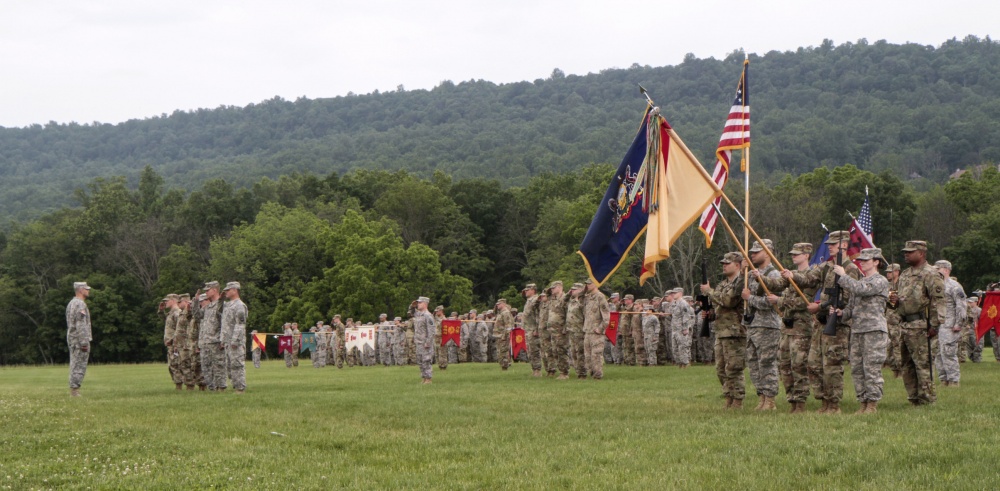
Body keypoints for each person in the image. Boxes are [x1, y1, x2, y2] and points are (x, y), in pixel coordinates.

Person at [784, 230, 860, 414]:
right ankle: (823, 400)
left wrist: (820, 306)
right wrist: (793, 276)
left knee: (832, 365)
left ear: (844, 245)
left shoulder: (850, 269)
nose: (829, 247)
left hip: (837, 323)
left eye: (833, 244)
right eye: (829, 244)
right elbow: (809, 278)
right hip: (821, 323)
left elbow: (849, 297)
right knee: (814, 364)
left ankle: (833, 404)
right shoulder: (826, 266)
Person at [761, 242, 818, 414]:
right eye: (792, 254)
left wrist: (780, 301)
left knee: (799, 365)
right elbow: (776, 284)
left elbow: (804, 302)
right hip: (787, 328)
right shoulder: (789, 274)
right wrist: (759, 277)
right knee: (784, 365)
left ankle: (800, 402)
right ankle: (791, 400)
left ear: (806, 255)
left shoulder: (811, 275)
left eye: (797, 254)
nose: (793, 256)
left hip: (801, 328)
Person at [832, 248, 890, 414]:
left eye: (866, 260)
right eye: (861, 260)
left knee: (871, 368)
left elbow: (862, 289)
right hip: (857, 330)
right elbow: (852, 307)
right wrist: (841, 313)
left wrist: (843, 276)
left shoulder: (880, 281)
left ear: (876, 262)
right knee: (857, 369)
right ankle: (863, 401)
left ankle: (872, 404)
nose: (862, 263)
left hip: (874, 330)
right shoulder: (860, 281)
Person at [889, 240, 945, 406]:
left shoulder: (931, 274)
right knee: (907, 364)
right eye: (905, 252)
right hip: (905, 325)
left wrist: (935, 325)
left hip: (921, 325)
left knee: (922, 364)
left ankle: (927, 399)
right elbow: (900, 299)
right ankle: (913, 398)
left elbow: (938, 301)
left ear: (921, 253)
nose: (906, 254)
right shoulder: (905, 274)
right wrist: (894, 300)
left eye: (910, 252)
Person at [702, 252, 747, 409]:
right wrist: (710, 314)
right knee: (721, 369)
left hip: (735, 331)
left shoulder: (741, 282)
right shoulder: (722, 284)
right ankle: (728, 396)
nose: (724, 266)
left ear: (737, 265)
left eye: (728, 263)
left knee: (734, 368)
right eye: (723, 263)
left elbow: (728, 301)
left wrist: (709, 291)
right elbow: (719, 306)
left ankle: (738, 400)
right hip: (721, 331)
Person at [745, 239, 784, 411]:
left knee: (767, 363)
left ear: (767, 253)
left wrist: (750, 298)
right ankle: (761, 396)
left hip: (768, 325)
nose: (752, 255)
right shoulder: (751, 274)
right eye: (752, 252)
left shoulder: (773, 275)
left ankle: (770, 399)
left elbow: (771, 302)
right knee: (754, 363)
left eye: (756, 252)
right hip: (753, 325)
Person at [935, 260, 966, 387]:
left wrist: (959, 323)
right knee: (938, 353)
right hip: (937, 325)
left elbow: (961, 306)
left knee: (948, 352)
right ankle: (943, 379)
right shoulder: (935, 285)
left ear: (946, 270)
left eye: (938, 269)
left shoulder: (954, 286)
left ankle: (953, 380)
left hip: (949, 325)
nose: (936, 271)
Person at [220, 281, 249, 393]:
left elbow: (240, 324)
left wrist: (235, 340)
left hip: (235, 341)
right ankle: (236, 386)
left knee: (237, 365)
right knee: (230, 366)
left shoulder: (239, 305)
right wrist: (223, 339)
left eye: (228, 290)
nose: (226, 292)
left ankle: (240, 388)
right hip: (227, 341)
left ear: (235, 290)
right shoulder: (228, 305)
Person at [198, 281, 226, 392]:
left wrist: (223, 340)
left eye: (208, 290)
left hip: (216, 341)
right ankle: (212, 388)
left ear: (214, 290)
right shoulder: (208, 307)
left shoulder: (221, 305)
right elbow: (197, 315)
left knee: (219, 366)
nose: (206, 292)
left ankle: (221, 387)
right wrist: (195, 302)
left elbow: (224, 323)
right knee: (206, 367)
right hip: (206, 341)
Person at [66, 281, 92, 397]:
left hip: (72, 338)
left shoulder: (71, 303)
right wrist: (84, 342)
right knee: (79, 365)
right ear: (81, 290)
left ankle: (74, 389)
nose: (88, 291)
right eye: (86, 289)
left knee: (74, 363)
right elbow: (80, 324)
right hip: (79, 340)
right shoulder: (80, 304)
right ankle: (75, 391)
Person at [582, 279, 610, 380]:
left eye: (589, 284)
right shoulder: (588, 297)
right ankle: (592, 373)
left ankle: (598, 375)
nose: (587, 286)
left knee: (596, 355)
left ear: (596, 284)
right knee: (588, 356)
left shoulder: (600, 297)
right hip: (588, 331)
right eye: (586, 284)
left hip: (596, 332)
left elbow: (606, 316)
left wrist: (600, 328)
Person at [545, 281, 571, 379]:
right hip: (553, 330)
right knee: (555, 351)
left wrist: (565, 328)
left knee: (562, 351)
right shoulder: (553, 299)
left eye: (553, 288)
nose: (551, 290)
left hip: (561, 330)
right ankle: (561, 371)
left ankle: (565, 372)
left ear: (559, 287)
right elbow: (546, 293)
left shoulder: (565, 299)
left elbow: (568, 315)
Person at [175, 294, 197, 389]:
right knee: (183, 364)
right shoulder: (181, 313)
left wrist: (189, 309)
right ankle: (189, 384)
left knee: (188, 364)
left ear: (185, 301)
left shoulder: (190, 311)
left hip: (187, 343)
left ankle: (191, 385)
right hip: (181, 344)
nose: (178, 304)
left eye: (180, 302)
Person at [885, 263, 903, 378]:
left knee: (898, 345)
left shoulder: (902, 284)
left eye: (890, 272)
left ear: (897, 272)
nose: (888, 274)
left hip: (898, 320)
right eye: (887, 272)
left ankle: (901, 370)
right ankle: (894, 369)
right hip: (888, 319)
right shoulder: (887, 285)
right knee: (889, 347)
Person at [521, 284, 543, 377]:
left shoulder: (535, 300)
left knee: (534, 350)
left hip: (533, 329)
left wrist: (536, 329)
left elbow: (538, 315)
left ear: (533, 290)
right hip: (528, 329)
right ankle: (534, 369)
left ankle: (537, 370)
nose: (526, 291)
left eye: (528, 290)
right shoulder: (529, 300)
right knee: (530, 351)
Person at [412, 297, 436, 384]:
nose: (418, 304)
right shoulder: (418, 314)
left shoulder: (428, 315)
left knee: (426, 360)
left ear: (425, 304)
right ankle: (424, 378)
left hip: (425, 342)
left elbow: (431, 331)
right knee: (420, 361)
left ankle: (428, 378)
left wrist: (428, 342)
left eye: (420, 303)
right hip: (418, 342)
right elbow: (410, 313)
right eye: (418, 303)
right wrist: (412, 306)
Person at [162, 293, 183, 390]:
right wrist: (161, 311)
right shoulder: (171, 313)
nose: (165, 302)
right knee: (172, 365)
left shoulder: (177, 313)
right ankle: (178, 385)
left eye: (167, 300)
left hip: (175, 344)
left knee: (176, 364)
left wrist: (173, 341)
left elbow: (180, 329)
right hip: (170, 344)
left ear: (174, 301)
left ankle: (179, 385)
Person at [566, 283, 587, 378]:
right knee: (573, 352)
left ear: (580, 290)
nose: (572, 291)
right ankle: (578, 371)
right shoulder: (571, 301)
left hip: (580, 330)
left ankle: (582, 373)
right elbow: (562, 302)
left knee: (580, 352)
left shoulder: (583, 301)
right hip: (571, 330)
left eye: (574, 289)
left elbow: (586, 316)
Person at [671, 292, 695, 369]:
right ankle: (679, 364)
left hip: (681, 329)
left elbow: (686, 316)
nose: (673, 295)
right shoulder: (675, 303)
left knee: (682, 347)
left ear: (680, 293)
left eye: (675, 293)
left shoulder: (683, 303)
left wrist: (685, 328)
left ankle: (685, 364)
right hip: (675, 329)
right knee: (675, 348)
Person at [190, 293, 208, 390]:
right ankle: (202, 385)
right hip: (198, 342)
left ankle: (205, 385)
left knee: (204, 365)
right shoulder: (200, 313)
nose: (201, 303)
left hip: (207, 341)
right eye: (199, 302)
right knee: (196, 365)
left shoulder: (207, 313)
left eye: (202, 301)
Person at [494, 299, 514, 370]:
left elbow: (508, 326)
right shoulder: (501, 313)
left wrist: (505, 336)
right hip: (499, 335)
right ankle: (503, 366)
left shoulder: (505, 313)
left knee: (503, 352)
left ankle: (505, 367)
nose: (497, 305)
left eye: (499, 304)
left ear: (503, 304)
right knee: (500, 352)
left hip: (503, 336)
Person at [641, 301, 660, 366]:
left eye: (646, 310)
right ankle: (649, 362)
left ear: (650, 310)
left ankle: (653, 363)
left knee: (652, 349)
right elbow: (644, 326)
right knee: (647, 349)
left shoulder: (653, 317)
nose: (645, 311)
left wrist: (656, 335)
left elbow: (657, 326)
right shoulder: (644, 317)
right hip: (646, 335)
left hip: (651, 335)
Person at [965, 297, 983, 363]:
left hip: (976, 330)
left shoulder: (979, 310)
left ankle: (977, 360)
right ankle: (972, 358)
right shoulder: (965, 310)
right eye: (968, 302)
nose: (969, 303)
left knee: (978, 345)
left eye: (971, 302)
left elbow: (982, 320)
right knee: (968, 346)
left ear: (975, 302)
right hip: (967, 331)